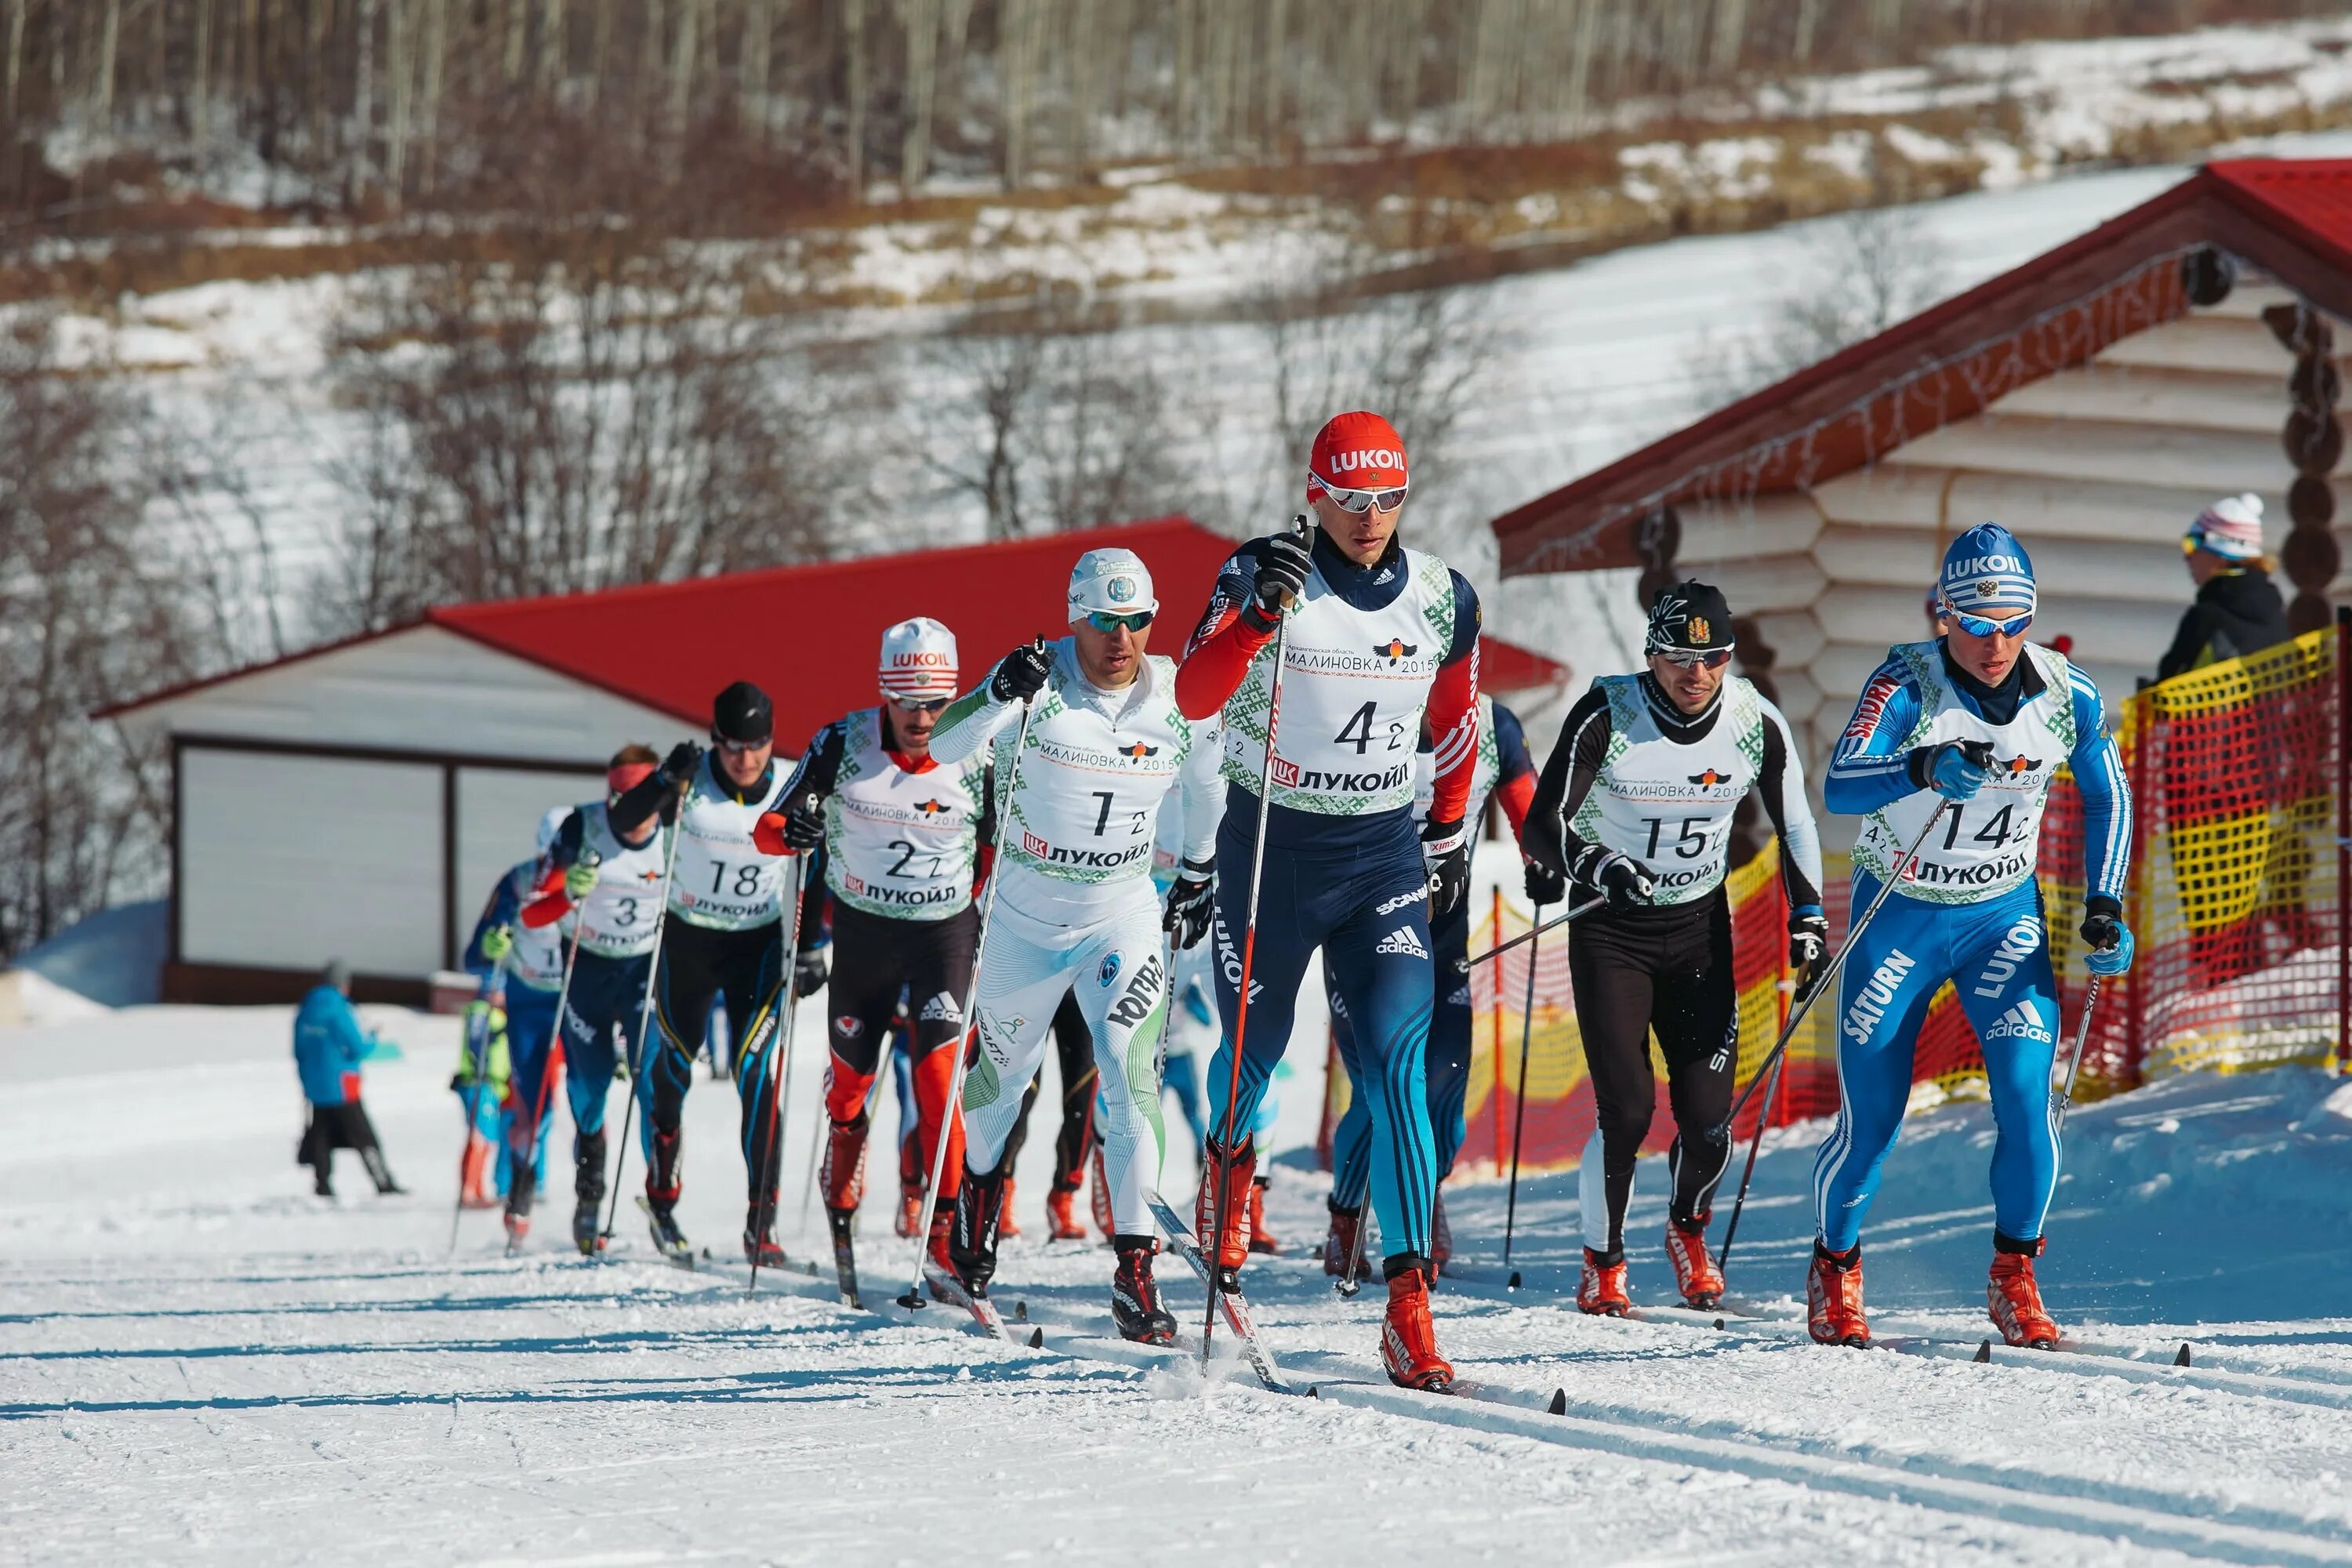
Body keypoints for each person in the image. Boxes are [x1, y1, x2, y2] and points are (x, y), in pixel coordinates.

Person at [1174, 410, 1481, 1391]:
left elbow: (1455, 717)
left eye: (1388, 498)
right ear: (1316, 494)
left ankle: (1407, 1307)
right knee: (1252, 1057)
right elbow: (1191, 694)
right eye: (1350, 500)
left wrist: (1445, 831)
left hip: (1383, 854)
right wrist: (1259, 614)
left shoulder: (1442, 597)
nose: (1369, 518)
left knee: (1396, 1063)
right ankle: (1226, 1177)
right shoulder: (1261, 570)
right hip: (1274, 847)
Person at [1811, 524, 2132, 1348]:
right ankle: (1837, 1263)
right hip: (1901, 915)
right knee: (1872, 1120)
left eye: (2013, 620)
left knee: (2030, 1102)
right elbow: (1841, 785)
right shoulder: (1906, 683)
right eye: (1977, 621)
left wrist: (2104, 902)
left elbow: (2110, 795)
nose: (1995, 642)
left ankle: (2014, 1273)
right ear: (1945, 612)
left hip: (2001, 917)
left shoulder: (2069, 692)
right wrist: (1917, 767)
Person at [927, 546, 1224, 1345]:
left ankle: (1134, 1270)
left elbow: (1208, 783)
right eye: (1101, 619)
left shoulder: (1176, 696)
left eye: (1135, 620)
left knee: (1132, 1078)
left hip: (1120, 914)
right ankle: (978, 1206)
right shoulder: (1038, 680)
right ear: (1073, 618)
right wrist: (994, 692)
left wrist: (1198, 868)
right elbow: (943, 747)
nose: (1119, 637)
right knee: (999, 1094)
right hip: (1024, 925)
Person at [1523, 583, 1824, 1313]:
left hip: (1698, 930)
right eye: (1682, 658)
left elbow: (1796, 823)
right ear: (1652, 655)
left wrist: (1809, 915)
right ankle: (1604, 1261)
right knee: (1625, 1110)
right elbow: (1541, 825)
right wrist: (1599, 865)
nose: (1699, 675)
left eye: (1715, 657)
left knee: (1708, 1119)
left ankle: (1687, 1228)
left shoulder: (1755, 719)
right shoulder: (1608, 712)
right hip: (1611, 928)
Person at [769, 619, 993, 1288]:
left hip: (944, 933)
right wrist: (792, 830)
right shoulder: (842, 742)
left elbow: (1006, 843)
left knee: (939, 1084)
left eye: (935, 702)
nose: (923, 718)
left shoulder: (979, 751)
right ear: (884, 695)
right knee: (853, 1087)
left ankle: (946, 1234)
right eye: (907, 702)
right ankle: (840, 1187)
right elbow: (772, 828)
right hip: (863, 934)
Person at [1323, 693, 1541, 1279]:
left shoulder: (1493, 724)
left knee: (1443, 1097)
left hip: (1442, 946)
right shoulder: (1362, 705)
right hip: (1361, 937)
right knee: (1383, 1091)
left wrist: (1547, 858)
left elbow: (1532, 816)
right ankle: (1347, 1217)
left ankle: (1424, 1195)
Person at [605, 683, 793, 1265]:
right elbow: (623, 825)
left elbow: (830, 857)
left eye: (757, 744)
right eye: (734, 745)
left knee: (759, 1078)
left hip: (756, 948)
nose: (745, 758)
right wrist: (662, 780)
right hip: (687, 943)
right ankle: (662, 1198)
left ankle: (761, 1225)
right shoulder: (688, 782)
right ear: (716, 740)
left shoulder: (791, 778)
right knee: (670, 1076)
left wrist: (812, 947)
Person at [525, 746, 672, 1254]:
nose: (627, 816)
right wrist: (567, 894)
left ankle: (663, 1199)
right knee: (587, 1085)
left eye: (639, 802)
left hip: (642, 969)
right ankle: (590, 1193)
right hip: (586, 968)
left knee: (653, 1079)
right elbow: (534, 914)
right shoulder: (579, 829)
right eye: (618, 801)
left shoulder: (675, 831)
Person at [460, 841, 570, 1245]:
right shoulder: (519, 881)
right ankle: (497, 1192)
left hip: (516, 1068)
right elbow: (474, 960)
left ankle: (543, 1189)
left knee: (556, 1110)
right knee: (506, 1125)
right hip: (495, 1067)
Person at [294, 960, 404, 1197]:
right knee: (363, 1135)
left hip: (314, 1084)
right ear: (343, 983)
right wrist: (373, 1037)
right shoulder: (340, 1008)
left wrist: (305, 1078)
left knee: (322, 1135)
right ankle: (382, 1181)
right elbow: (358, 1046)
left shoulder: (307, 1008)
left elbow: (299, 1049)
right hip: (343, 1085)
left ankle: (322, 1184)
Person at [2157, 493, 2291, 682]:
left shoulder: (2205, 620)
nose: (2188, 557)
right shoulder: (2278, 617)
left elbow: (2164, 690)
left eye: (2192, 544)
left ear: (2222, 555)